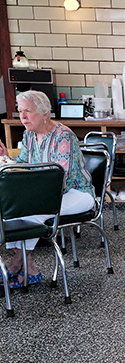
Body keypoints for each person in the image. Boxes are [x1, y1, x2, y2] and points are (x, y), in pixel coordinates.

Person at [0, 90, 95, 287]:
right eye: (20, 111)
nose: (23, 116)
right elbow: (23, 165)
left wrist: (31, 195)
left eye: (28, 111)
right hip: (44, 193)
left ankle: (14, 264)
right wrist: (7, 157)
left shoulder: (63, 136)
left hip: (76, 192)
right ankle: (30, 268)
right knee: (14, 211)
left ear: (44, 113)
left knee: (31, 212)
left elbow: (63, 179)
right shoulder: (29, 135)